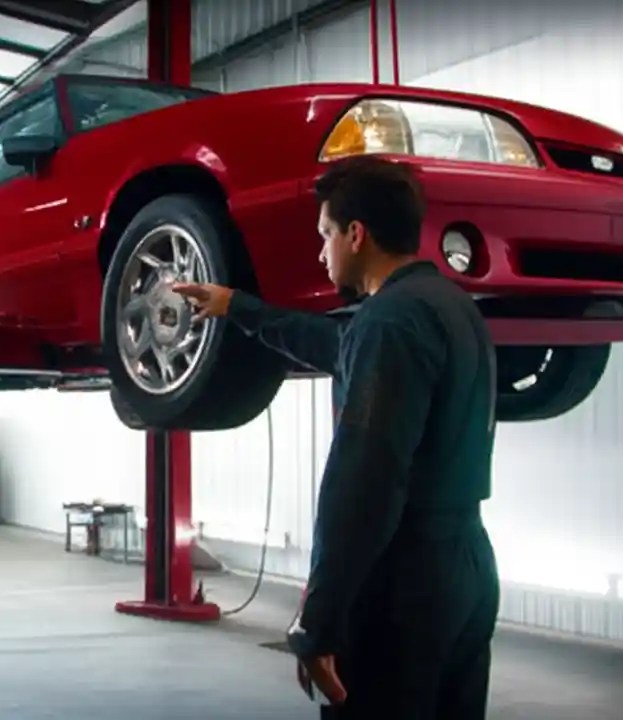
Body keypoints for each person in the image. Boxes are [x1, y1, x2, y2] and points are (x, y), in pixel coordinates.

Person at [173, 156, 500, 718]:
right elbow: (334, 345)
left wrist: (318, 624)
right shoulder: (448, 307)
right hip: (466, 567)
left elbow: (364, 483)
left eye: (325, 234)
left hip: (402, 580)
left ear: (356, 234)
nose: (321, 251)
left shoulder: (389, 322)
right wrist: (237, 307)